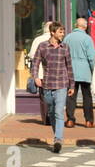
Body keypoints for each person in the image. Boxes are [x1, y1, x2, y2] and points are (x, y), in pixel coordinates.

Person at [31, 21, 74, 154]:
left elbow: (69, 67)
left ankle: (58, 140)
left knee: (59, 112)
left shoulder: (65, 47)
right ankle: (57, 135)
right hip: (47, 85)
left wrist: (72, 84)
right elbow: (35, 64)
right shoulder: (42, 46)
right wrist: (36, 77)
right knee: (51, 111)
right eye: (60, 32)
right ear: (52, 32)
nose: (62, 34)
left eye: (63, 32)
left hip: (62, 84)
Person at [64, 16, 95, 128]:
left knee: (71, 96)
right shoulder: (87, 39)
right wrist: (94, 71)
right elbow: (91, 57)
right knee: (87, 96)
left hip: (70, 71)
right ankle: (89, 121)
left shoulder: (67, 38)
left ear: (75, 26)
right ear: (85, 26)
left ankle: (70, 120)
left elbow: (63, 55)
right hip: (85, 71)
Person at [27, 22, 52, 126]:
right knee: (53, 95)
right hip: (54, 74)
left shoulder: (38, 40)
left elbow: (32, 55)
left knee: (43, 96)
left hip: (41, 73)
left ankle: (46, 118)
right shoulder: (58, 40)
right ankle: (52, 116)